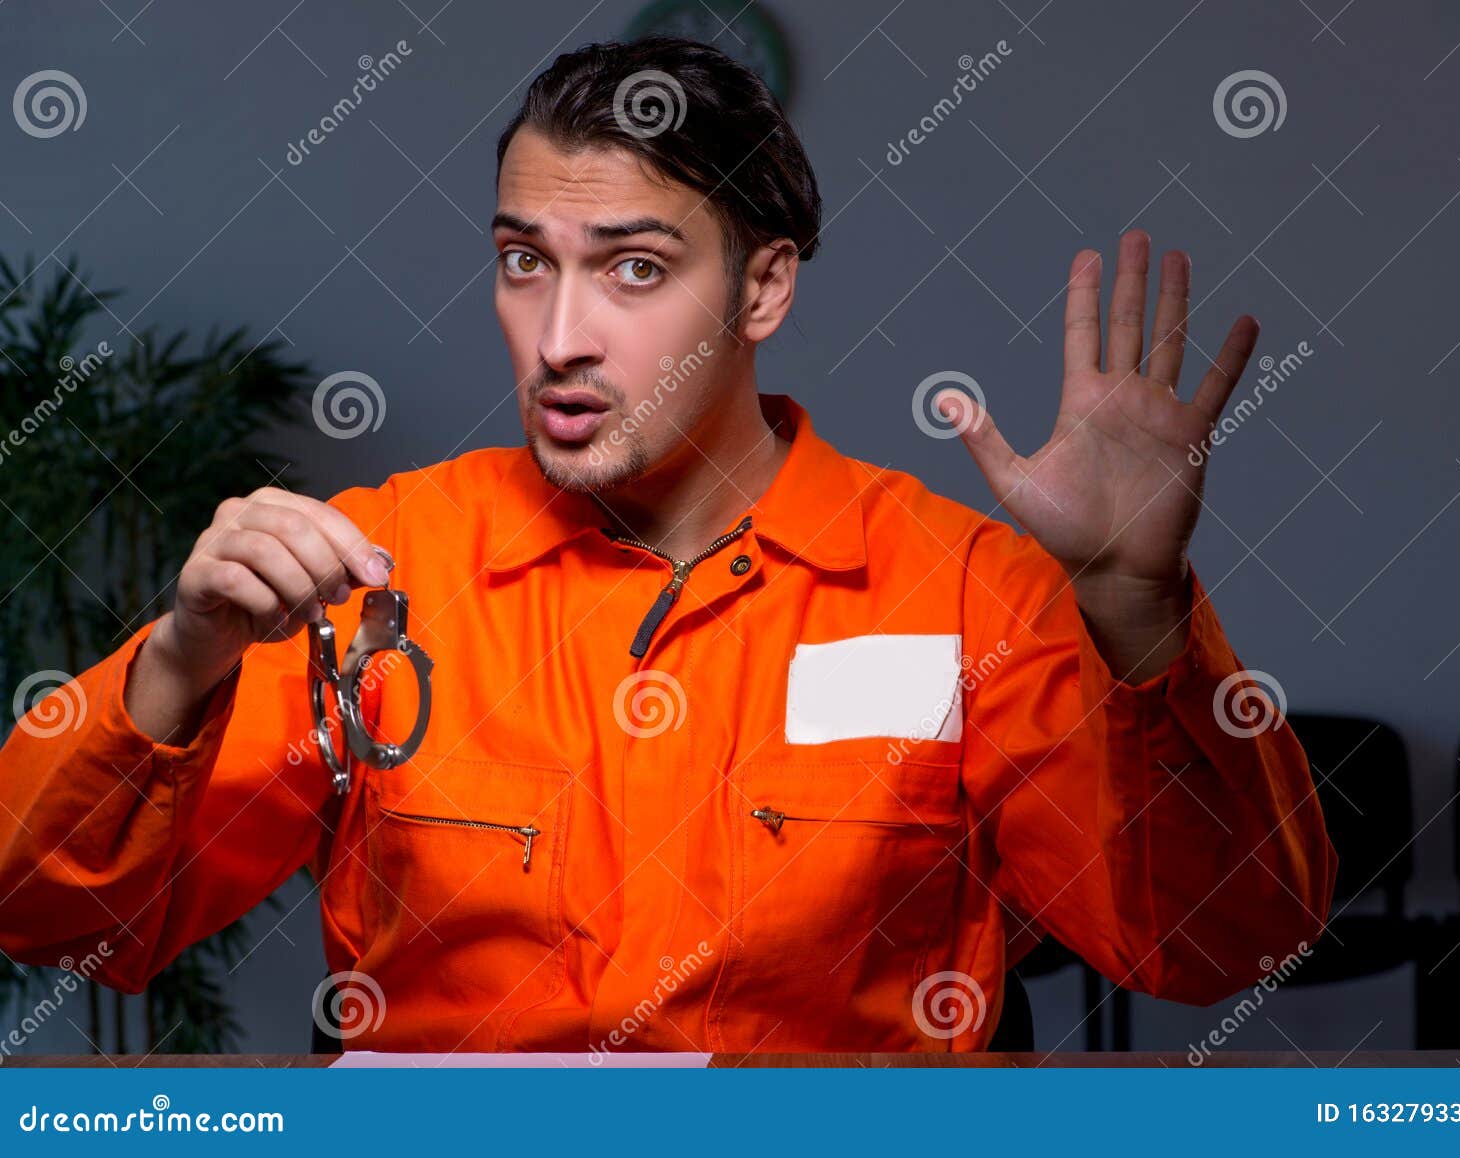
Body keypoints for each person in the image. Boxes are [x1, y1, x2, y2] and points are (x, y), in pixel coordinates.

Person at [0, 37, 1336, 1054]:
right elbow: (56, 918)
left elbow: (1221, 943)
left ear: (763, 285)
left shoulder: (963, 588)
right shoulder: (382, 567)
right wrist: (181, 661)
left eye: (635, 268)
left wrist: (1137, 611)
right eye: (527, 262)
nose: (561, 334)